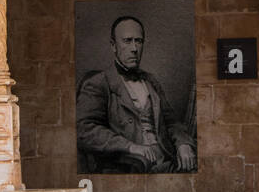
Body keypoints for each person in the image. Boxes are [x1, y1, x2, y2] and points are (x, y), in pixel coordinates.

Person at [76, 15, 196, 174]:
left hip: (167, 159)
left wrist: (183, 144)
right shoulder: (99, 82)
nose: (134, 48)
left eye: (138, 41)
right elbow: (84, 129)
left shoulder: (150, 81)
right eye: (127, 41)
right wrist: (130, 147)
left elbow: (172, 121)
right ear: (113, 45)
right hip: (129, 166)